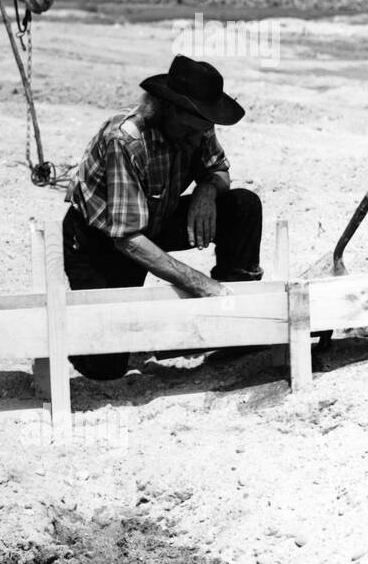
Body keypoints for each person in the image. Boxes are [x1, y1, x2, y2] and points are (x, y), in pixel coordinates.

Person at [62, 55, 263, 380]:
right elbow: (127, 239)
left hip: (155, 219)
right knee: (105, 367)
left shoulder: (198, 126)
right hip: (104, 241)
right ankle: (75, 328)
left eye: (205, 126)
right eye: (195, 127)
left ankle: (235, 322)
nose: (201, 134)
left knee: (243, 205)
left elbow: (218, 169)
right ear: (169, 110)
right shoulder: (125, 139)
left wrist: (207, 191)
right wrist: (199, 284)